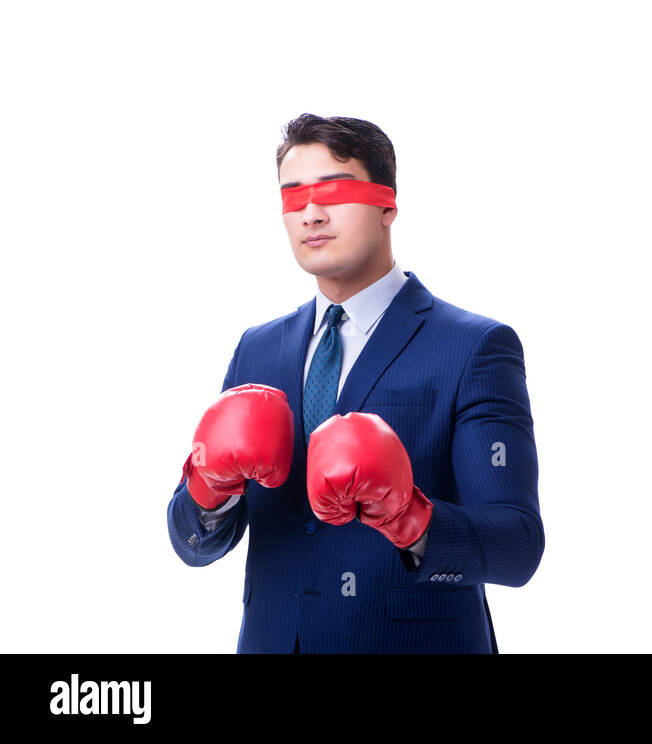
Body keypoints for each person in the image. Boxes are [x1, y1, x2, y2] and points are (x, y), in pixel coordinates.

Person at [167, 114, 543, 653]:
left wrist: (409, 518)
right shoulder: (258, 348)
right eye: (293, 197)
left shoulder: (474, 346)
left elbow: (517, 545)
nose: (311, 214)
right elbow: (193, 544)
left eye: (334, 192)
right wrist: (208, 490)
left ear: (387, 204)